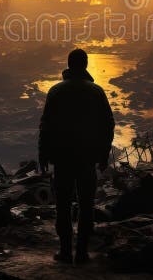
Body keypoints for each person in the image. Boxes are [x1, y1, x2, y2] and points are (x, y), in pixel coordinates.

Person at [38, 49, 115, 265]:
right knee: (86, 205)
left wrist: (43, 154)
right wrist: (103, 154)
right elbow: (108, 124)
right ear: (86, 64)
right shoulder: (97, 91)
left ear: (69, 65)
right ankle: (81, 253)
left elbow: (46, 126)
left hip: (62, 159)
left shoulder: (55, 91)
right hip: (87, 158)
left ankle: (64, 252)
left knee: (62, 205)